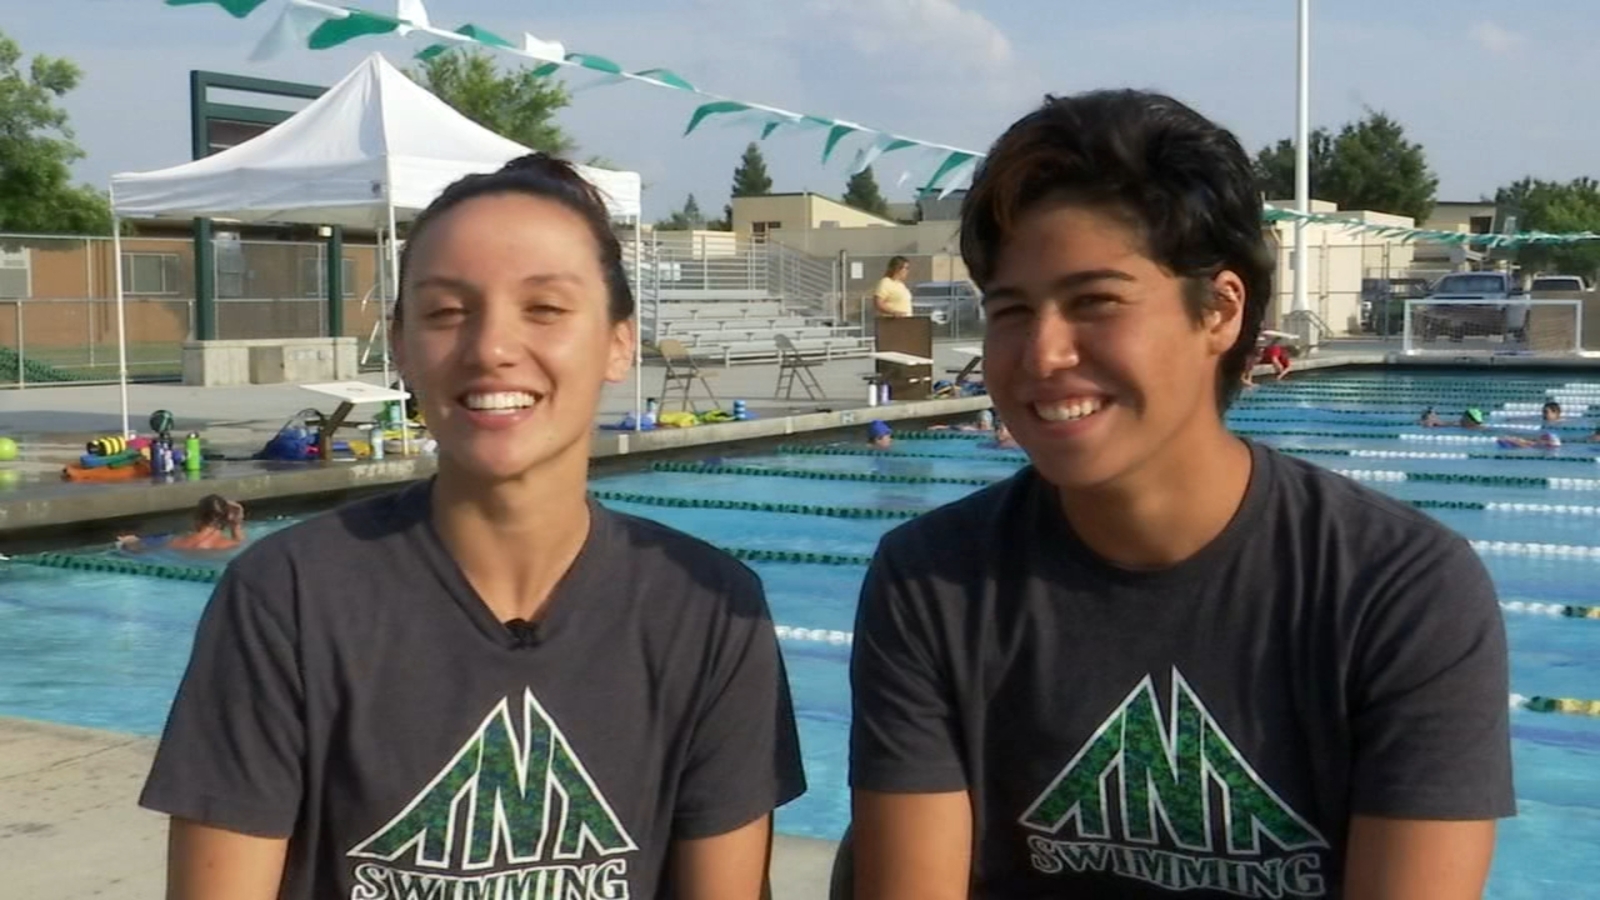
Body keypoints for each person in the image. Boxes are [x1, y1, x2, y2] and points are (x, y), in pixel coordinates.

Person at [848, 90, 1513, 900]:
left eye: (1095, 301)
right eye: (1011, 310)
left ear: (1222, 311)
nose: (1042, 353)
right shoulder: (933, 581)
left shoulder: (1400, 590)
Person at [139, 155, 806, 900]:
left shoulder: (707, 610)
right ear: (400, 346)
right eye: (446, 312)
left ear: (619, 342)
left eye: (546, 309)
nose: (490, 347)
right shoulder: (289, 597)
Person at [116, 494, 244, 554]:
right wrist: (236, 526)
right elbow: (243, 548)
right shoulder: (231, 545)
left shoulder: (175, 542)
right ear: (226, 519)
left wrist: (132, 542)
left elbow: (142, 550)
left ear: (196, 516)